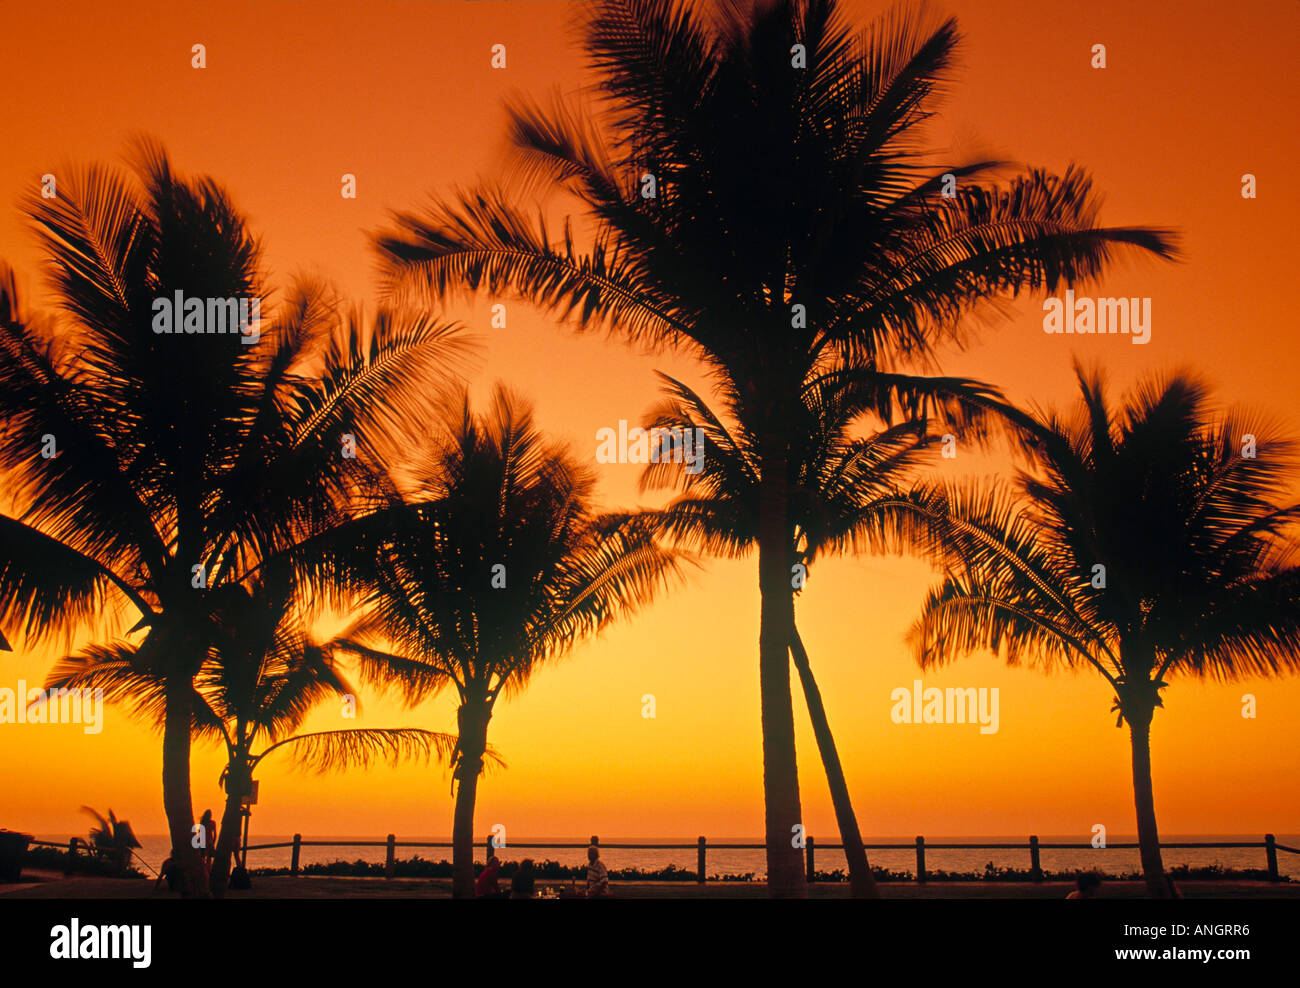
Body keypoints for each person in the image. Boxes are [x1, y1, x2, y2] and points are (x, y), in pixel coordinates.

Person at [198, 810, 217, 881]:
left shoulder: (203, 823)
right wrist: (213, 842)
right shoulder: (212, 823)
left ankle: (204, 872)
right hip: (209, 842)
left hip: (203, 842)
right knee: (209, 859)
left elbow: (200, 833)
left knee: (202, 858)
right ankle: (208, 872)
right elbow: (215, 834)